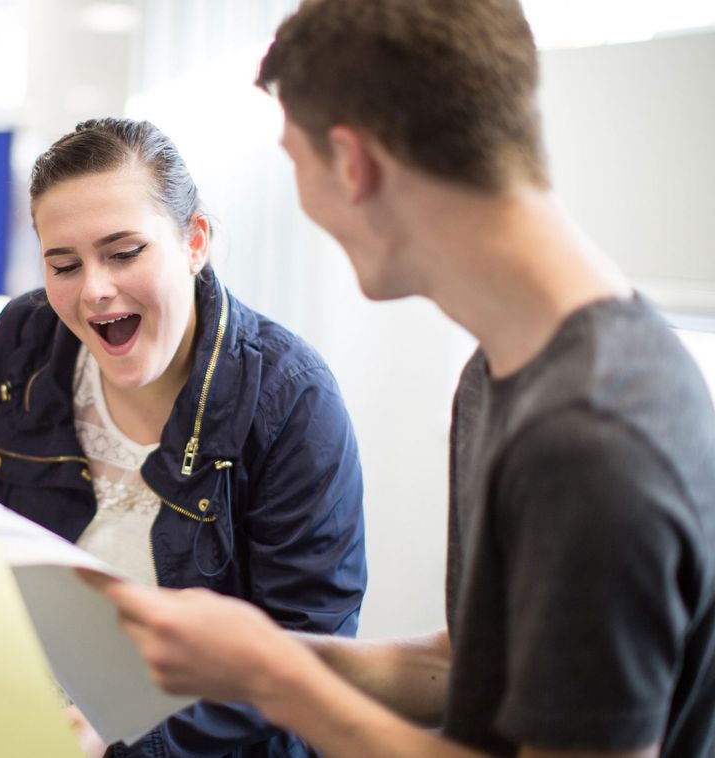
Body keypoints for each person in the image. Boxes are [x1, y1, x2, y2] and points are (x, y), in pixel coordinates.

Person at [81, 2, 715, 757]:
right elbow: (469, 667)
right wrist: (259, 655)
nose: (307, 203)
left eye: (295, 162)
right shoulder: (503, 370)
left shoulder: (591, 440)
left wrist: (278, 680)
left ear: (354, 164)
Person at [0, 117, 367, 757]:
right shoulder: (22, 341)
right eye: (64, 263)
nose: (95, 290)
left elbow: (310, 658)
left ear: (195, 240)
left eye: (124, 252)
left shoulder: (291, 400)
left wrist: (128, 736)